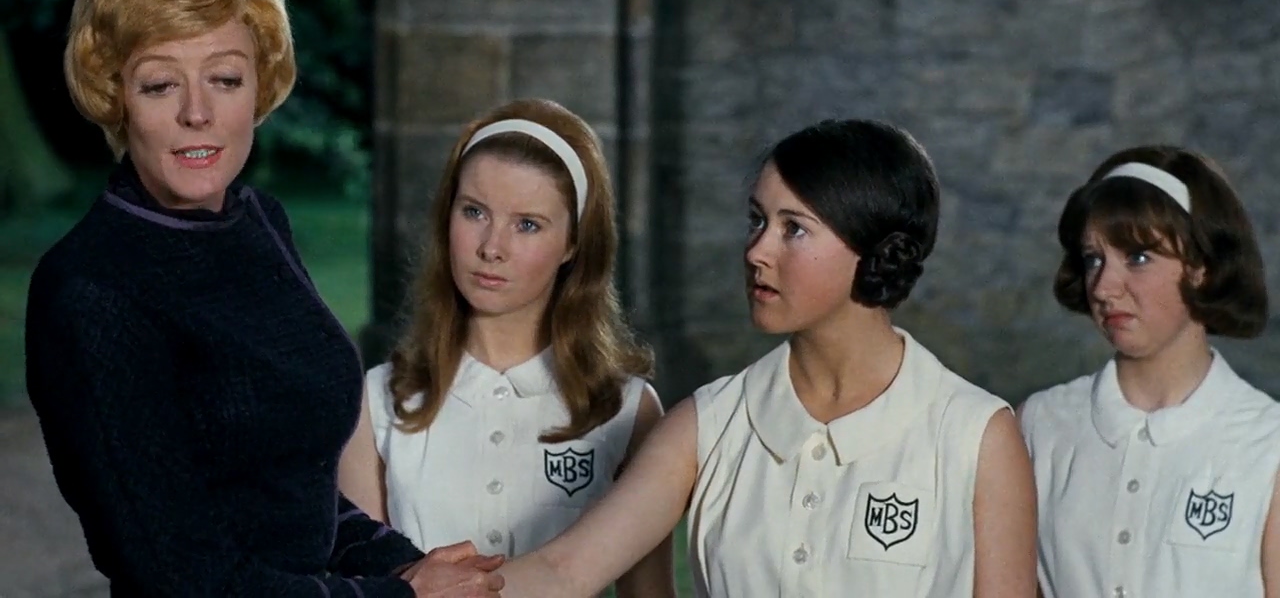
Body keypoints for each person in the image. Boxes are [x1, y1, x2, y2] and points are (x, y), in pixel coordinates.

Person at [24, 0, 503, 597]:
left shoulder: (260, 223)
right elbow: (183, 577)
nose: (198, 112)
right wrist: (405, 595)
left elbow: (290, 483)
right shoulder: (89, 291)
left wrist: (401, 558)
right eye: (161, 84)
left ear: (261, 84)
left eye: (224, 78)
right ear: (114, 94)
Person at [486, 119, 1039, 597]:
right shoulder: (708, 424)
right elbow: (564, 572)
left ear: (873, 252)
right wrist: (408, 589)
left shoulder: (976, 436)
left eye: (793, 228)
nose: (757, 251)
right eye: (757, 220)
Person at [337, 98, 675, 597]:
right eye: (474, 212)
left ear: (573, 245)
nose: (491, 247)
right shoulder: (377, 401)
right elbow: (361, 584)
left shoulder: (626, 410)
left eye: (528, 224)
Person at [1018, 145, 1280, 598]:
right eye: (1093, 259)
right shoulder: (1038, 426)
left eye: (1138, 258)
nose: (1103, 287)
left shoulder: (1267, 447)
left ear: (1200, 268)